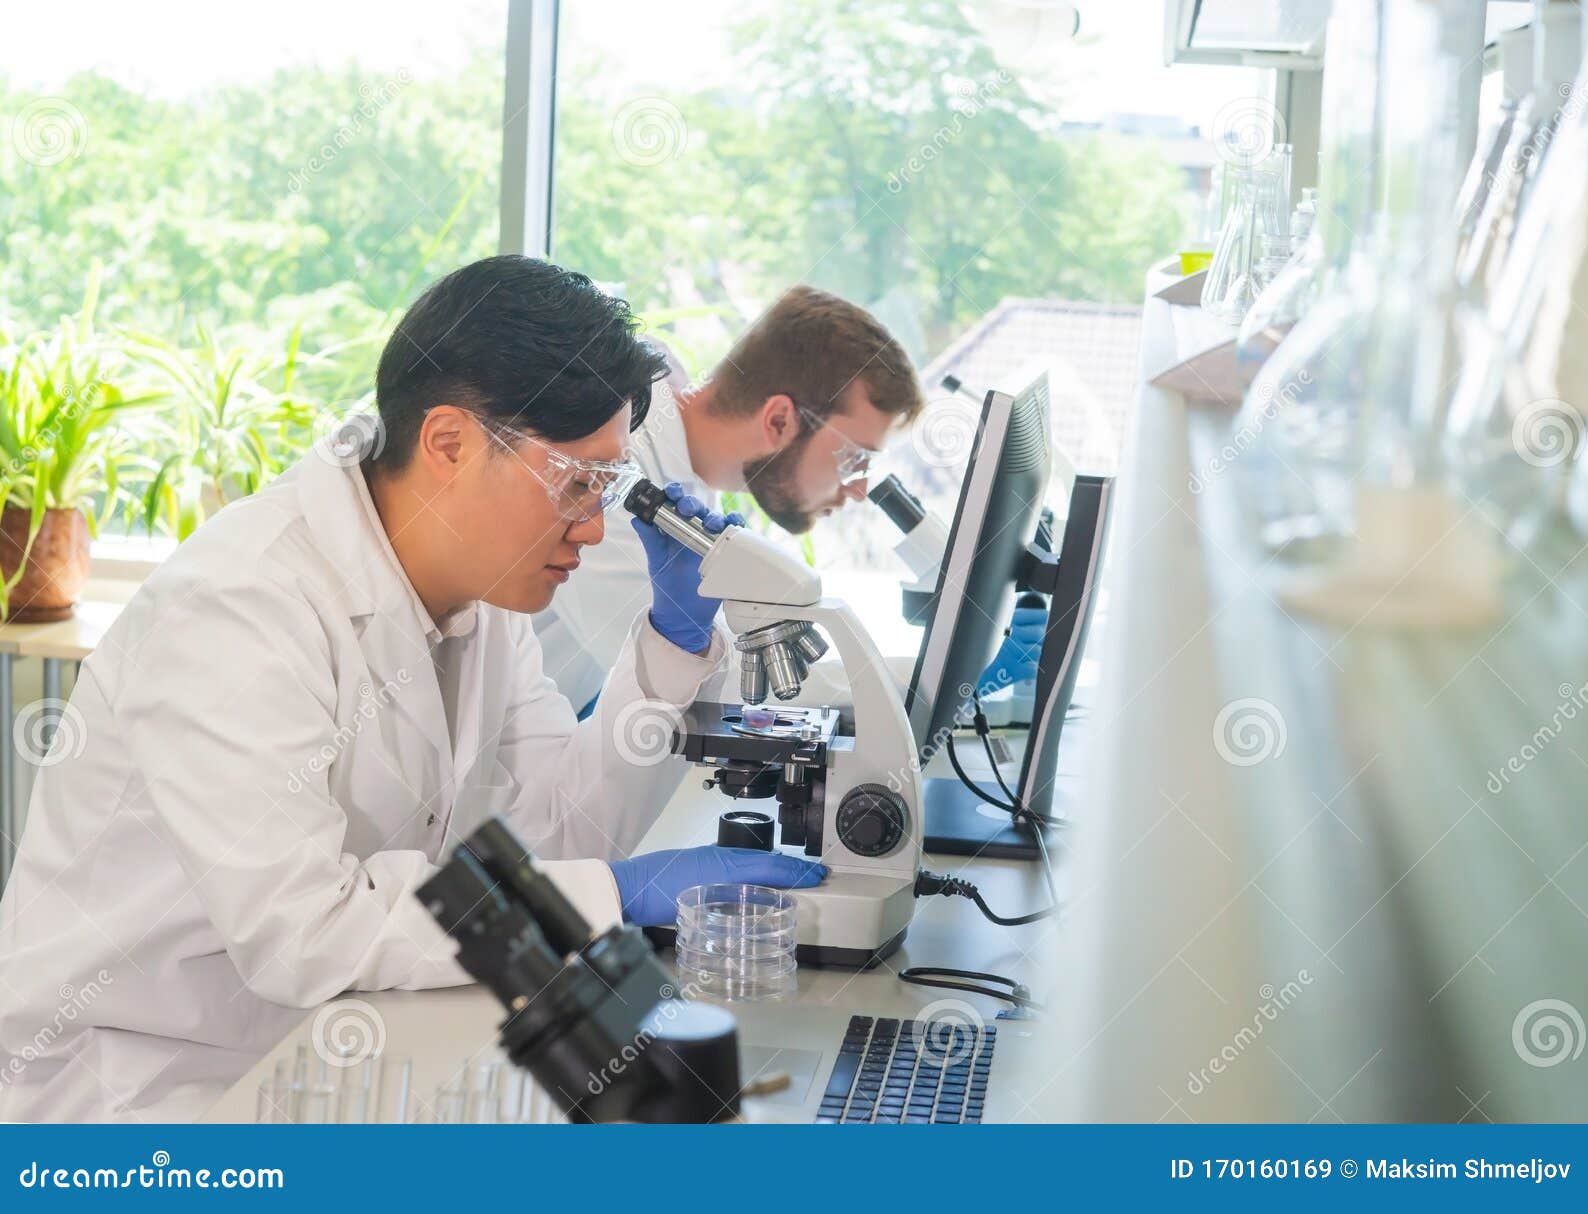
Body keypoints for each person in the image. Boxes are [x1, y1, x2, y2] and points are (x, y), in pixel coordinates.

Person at [0, 256, 823, 1123]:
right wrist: (614, 894)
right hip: (137, 1095)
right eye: (576, 482)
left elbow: (561, 832)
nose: (593, 525)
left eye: (608, 486)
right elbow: (305, 934)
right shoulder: (237, 606)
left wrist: (673, 640)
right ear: (449, 443)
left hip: (333, 1047)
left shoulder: (481, 597)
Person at [533, 285, 930, 710]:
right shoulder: (616, 470)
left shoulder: (684, 458)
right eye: (853, 458)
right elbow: (712, 688)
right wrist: (928, 681)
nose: (859, 489)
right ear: (778, 420)